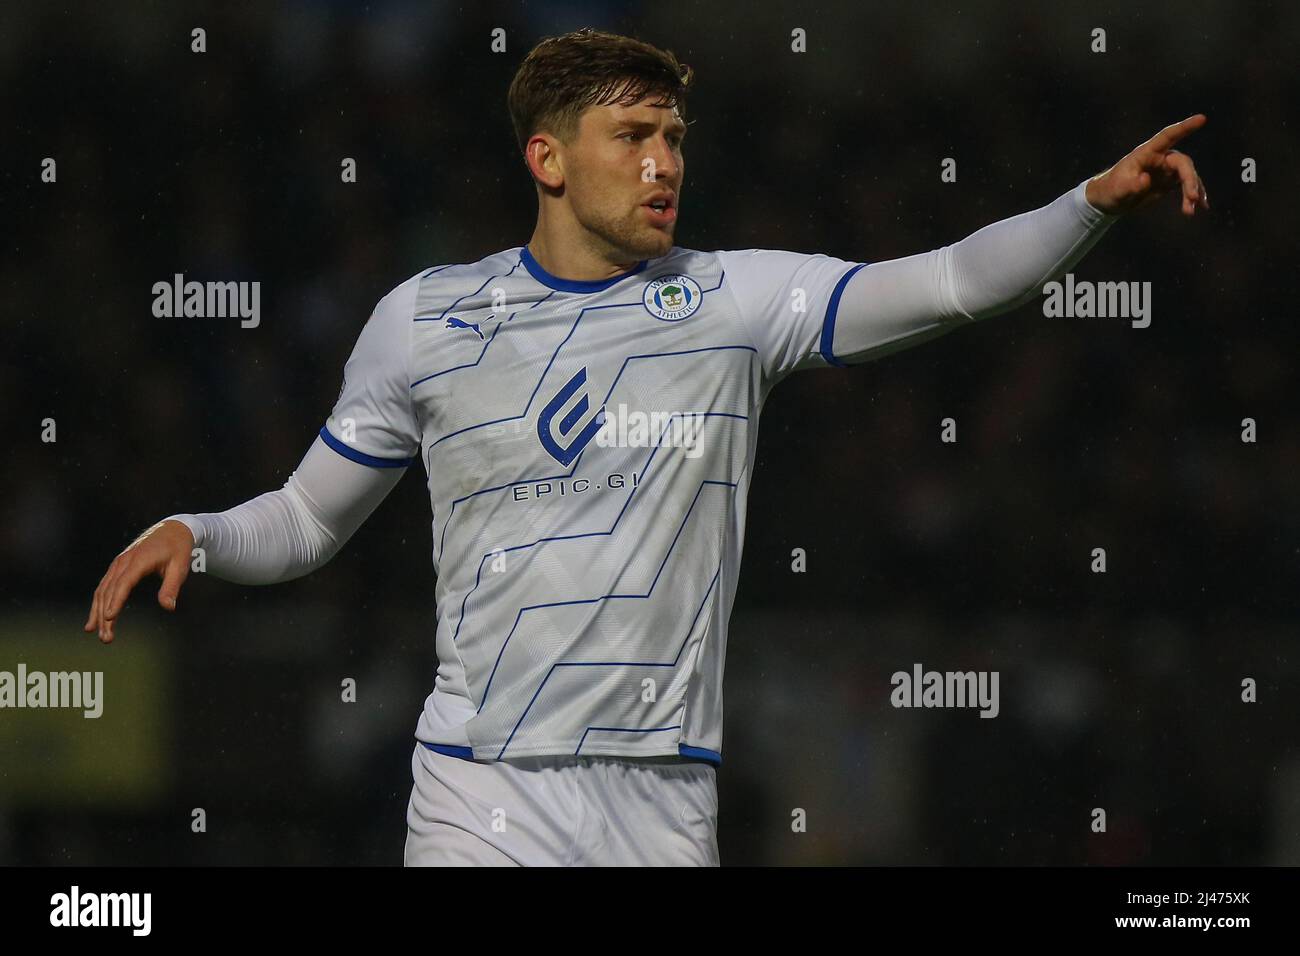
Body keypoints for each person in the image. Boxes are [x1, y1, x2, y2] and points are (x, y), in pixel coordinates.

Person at [85, 28, 1208, 866]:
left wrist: (1086, 205)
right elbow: (307, 517)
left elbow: (951, 281)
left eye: (673, 137)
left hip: (664, 800)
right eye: (632, 136)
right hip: (481, 789)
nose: (664, 162)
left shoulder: (736, 301)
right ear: (548, 157)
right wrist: (199, 529)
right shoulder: (425, 319)